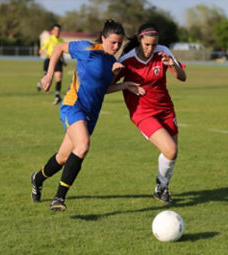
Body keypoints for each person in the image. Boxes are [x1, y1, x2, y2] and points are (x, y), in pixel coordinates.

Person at [30, 19, 144, 211]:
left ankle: (37, 178)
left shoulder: (112, 62)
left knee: (63, 157)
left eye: (119, 43)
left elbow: (102, 89)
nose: (116, 47)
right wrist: (49, 75)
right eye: (112, 42)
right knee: (83, 146)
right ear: (103, 38)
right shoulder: (88, 48)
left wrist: (123, 84)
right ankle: (58, 198)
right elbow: (58, 48)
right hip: (73, 106)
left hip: (91, 114)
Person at [112, 22, 186, 205]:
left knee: (172, 154)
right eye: (147, 45)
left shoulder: (163, 51)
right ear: (139, 40)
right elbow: (105, 86)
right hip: (142, 112)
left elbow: (182, 77)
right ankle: (161, 187)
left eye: (154, 44)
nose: (151, 48)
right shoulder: (126, 60)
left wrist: (172, 65)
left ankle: (161, 188)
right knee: (170, 149)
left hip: (166, 109)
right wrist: (125, 85)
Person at [37, 24, 66, 105]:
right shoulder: (49, 40)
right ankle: (40, 82)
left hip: (58, 62)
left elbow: (62, 52)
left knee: (59, 77)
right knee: (48, 77)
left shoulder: (61, 40)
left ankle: (57, 96)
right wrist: (49, 56)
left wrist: (63, 61)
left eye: (59, 30)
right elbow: (41, 51)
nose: (57, 32)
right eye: (56, 30)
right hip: (49, 61)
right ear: (52, 31)